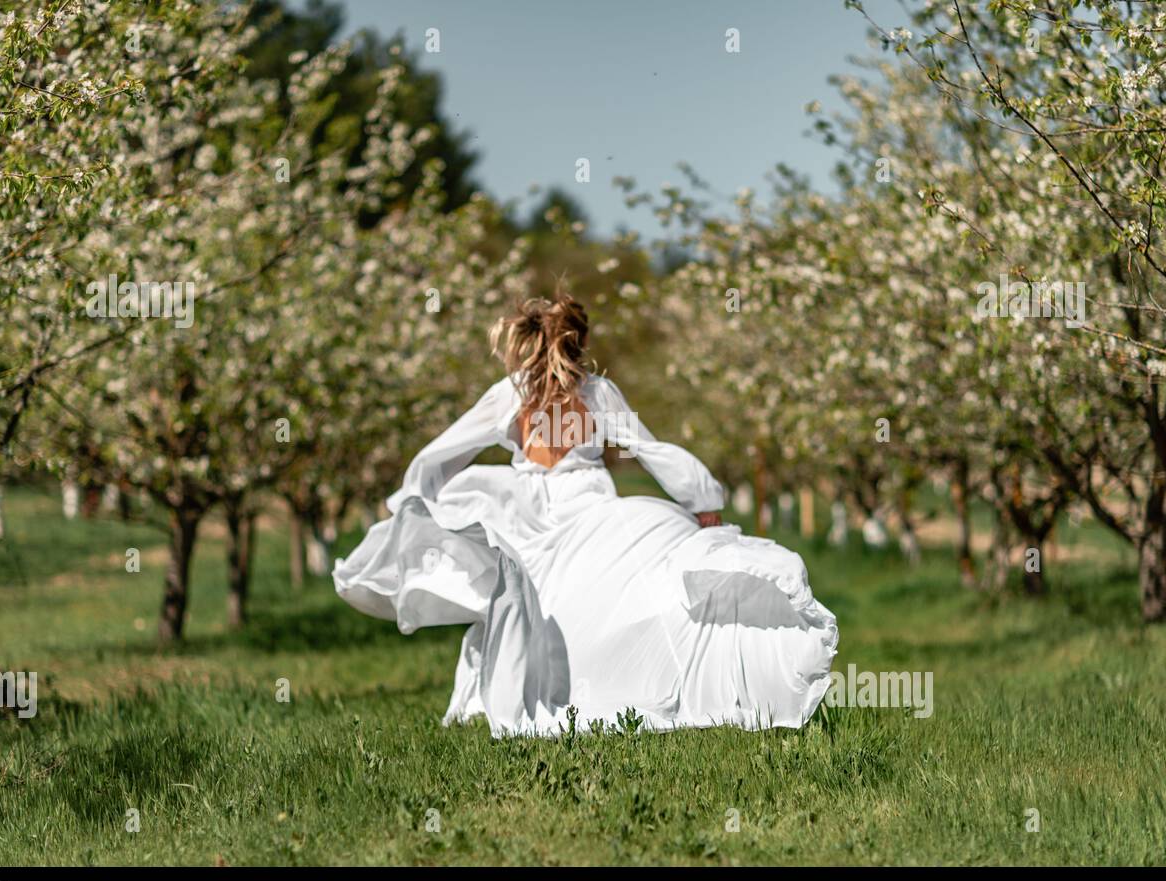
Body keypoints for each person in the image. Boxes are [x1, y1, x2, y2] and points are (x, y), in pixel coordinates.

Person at [333, 292, 838, 736]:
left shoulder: (511, 394)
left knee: (519, 607)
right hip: (591, 508)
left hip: (530, 515)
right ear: (578, 342)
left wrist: (412, 498)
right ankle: (620, 688)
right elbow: (648, 447)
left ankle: (508, 695)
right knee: (618, 597)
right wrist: (702, 500)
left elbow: (445, 451)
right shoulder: (597, 393)